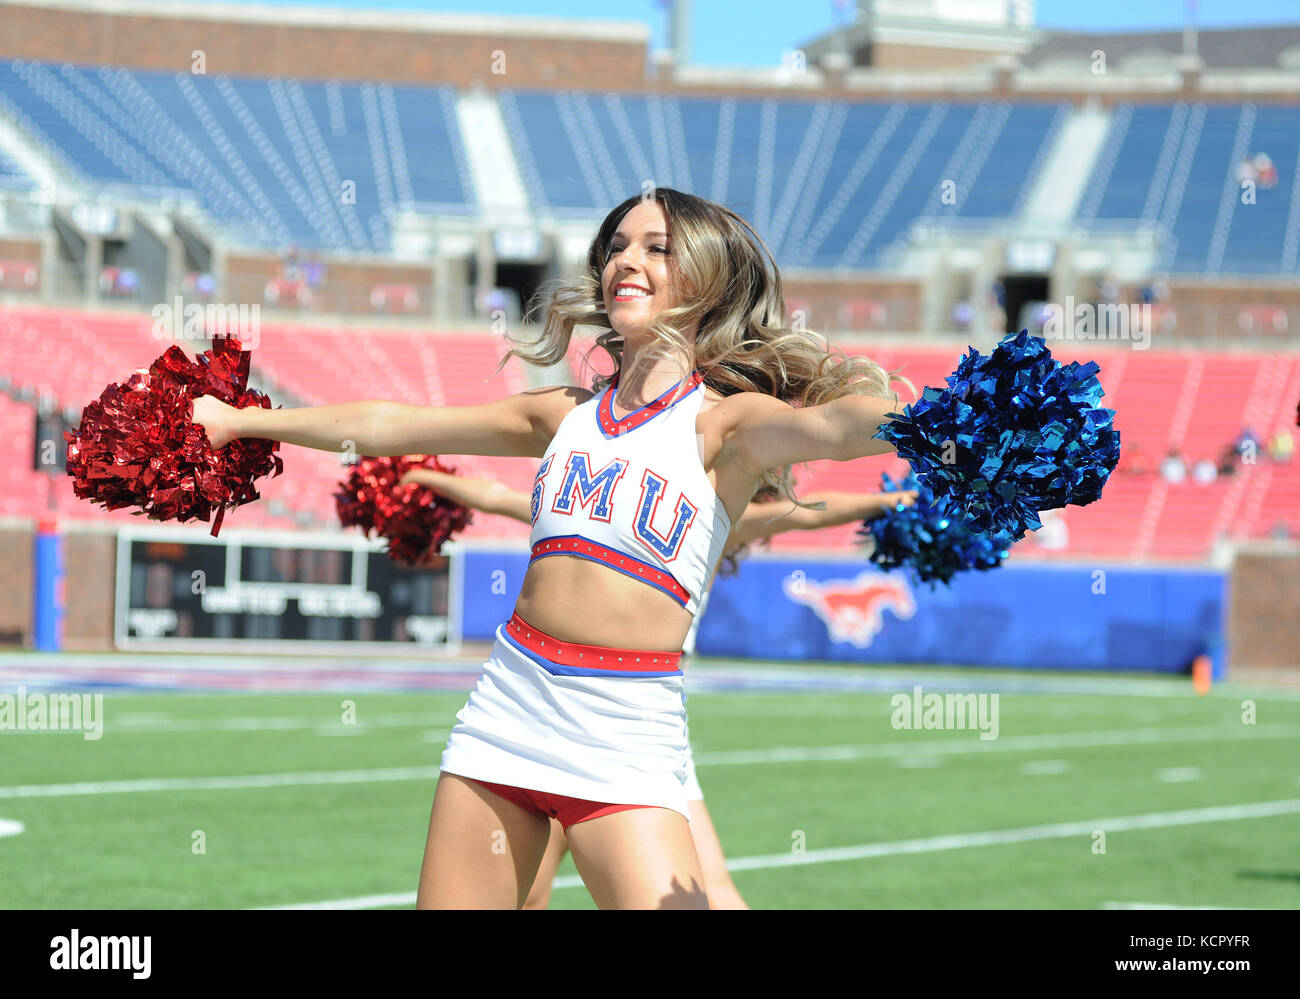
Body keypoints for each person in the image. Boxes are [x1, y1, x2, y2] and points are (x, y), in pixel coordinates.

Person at [192, 188, 901, 909]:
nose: (627, 259)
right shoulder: (562, 413)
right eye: (617, 246)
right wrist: (246, 419)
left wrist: (948, 417)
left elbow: (840, 426)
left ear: (708, 280)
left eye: (657, 248)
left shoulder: (725, 427)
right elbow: (395, 424)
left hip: (625, 729)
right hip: (508, 710)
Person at [397, 464, 915, 909]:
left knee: (709, 888)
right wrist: (430, 479)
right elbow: (503, 499)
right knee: (530, 891)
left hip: (636, 728)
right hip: (563, 716)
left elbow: (812, 510)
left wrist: (892, 500)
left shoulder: (716, 518)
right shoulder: (642, 516)